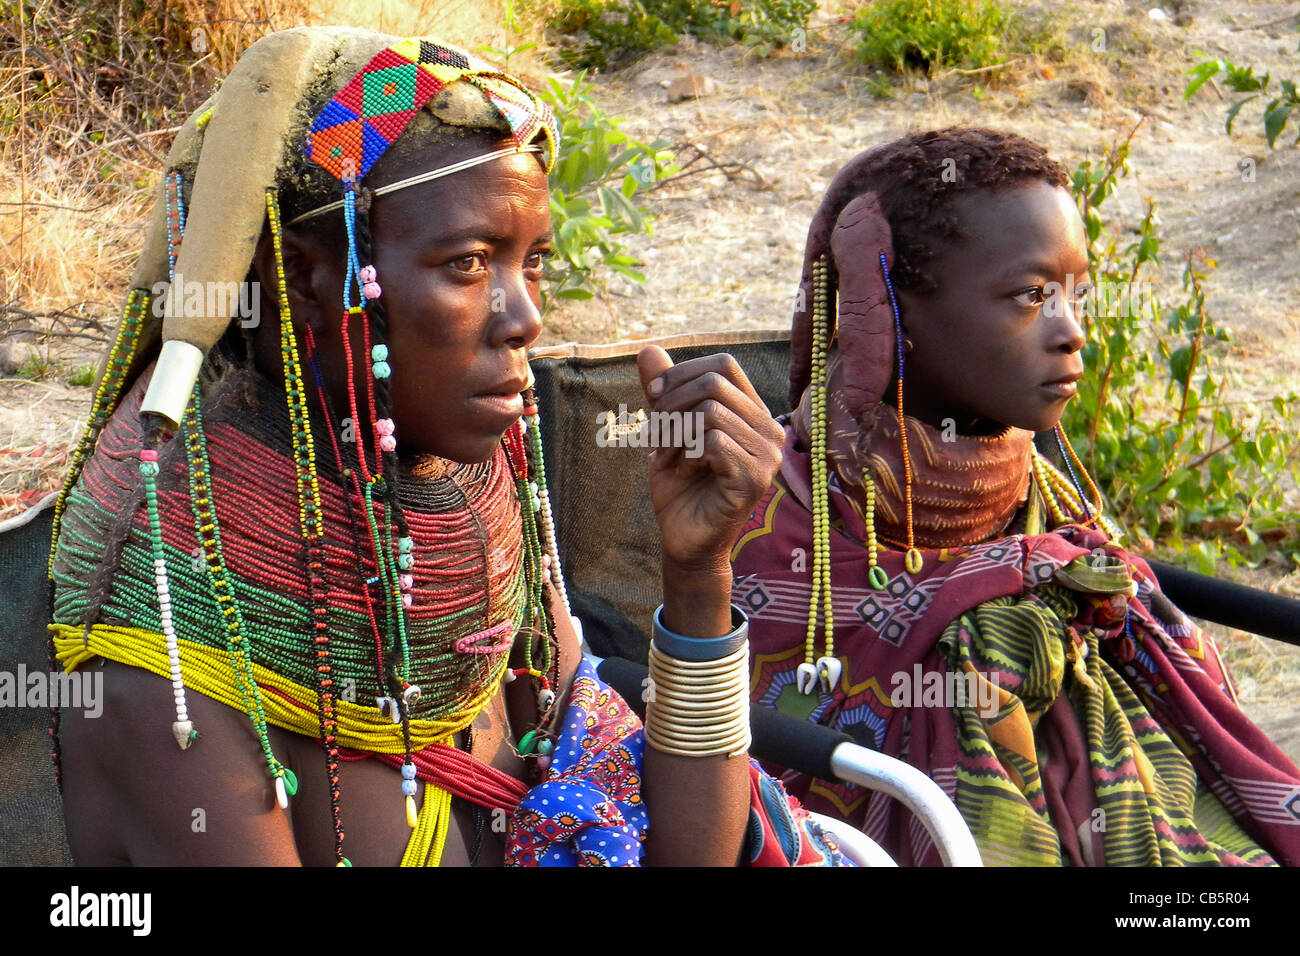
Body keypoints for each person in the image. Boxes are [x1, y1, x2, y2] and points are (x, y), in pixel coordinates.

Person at [48, 27, 845, 867]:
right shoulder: (166, 679)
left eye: (533, 262)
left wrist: (697, 576)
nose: (525, 317)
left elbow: (691, 857)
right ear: (305, 279)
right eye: (467, 263)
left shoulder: (476, 508)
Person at [731, 126, 1300, 866]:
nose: (1074, 333)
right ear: (891, 309)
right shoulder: (764, 513)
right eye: (1032, 295)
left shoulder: (1045, 498)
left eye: (1077, 295)